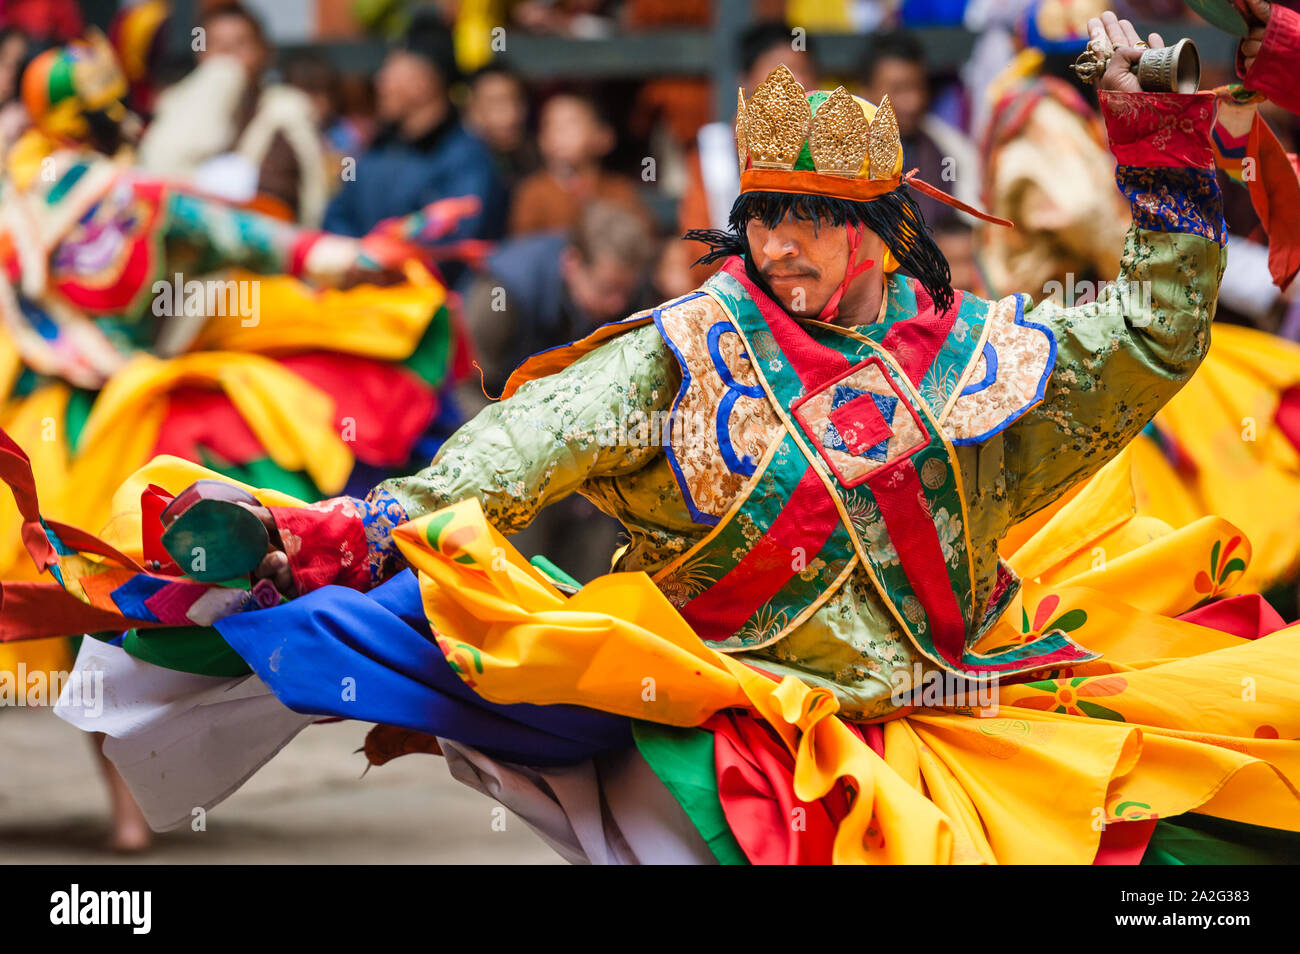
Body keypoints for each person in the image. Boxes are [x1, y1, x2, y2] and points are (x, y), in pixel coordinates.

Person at [15, 15, 1300, 864]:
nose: (783, 244)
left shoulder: (983, 360)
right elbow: (511, 455)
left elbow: (1148, 337)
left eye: (814, 215)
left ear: (883, 229)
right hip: (740, 747)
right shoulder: (673, 358)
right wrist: (358, 527)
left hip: (971, 715)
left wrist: (1163, 142)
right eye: (765, 215)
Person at [322, 11, 506, 285]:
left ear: (424, 83)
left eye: (391, 71)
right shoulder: (375, 152)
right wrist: (349, 261)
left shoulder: (466, 160)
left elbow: (451, 244)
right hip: (359, 308)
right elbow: (337, 217)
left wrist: (379, 265)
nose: (379, 82)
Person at [136, 2, 328, 226]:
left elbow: (278, 198)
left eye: (240, 44)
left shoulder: (284, 113)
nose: (227, 55)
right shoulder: (175, 107)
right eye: (217, 45)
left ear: (263, 52)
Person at [858, 30, 980, 232]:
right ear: (866, 91)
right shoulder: (842, 156)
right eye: (899, 89)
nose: (913, 102)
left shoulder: (952, 150)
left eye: (919, 87)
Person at [506, 90, 654, 236]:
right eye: (549, 124)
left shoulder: (620, 191)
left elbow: (641, 240)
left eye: (571, 123)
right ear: (541, 141)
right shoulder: (533, 193)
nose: (558, 132)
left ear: (603, 137)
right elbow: (522, 250)